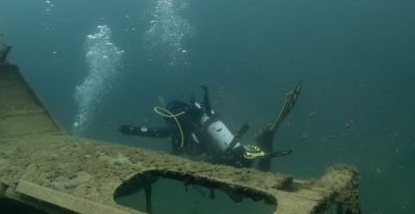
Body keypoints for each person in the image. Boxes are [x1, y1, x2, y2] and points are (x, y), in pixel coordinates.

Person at [118, 83, 302, 171]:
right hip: (233, 147)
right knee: (254, 175)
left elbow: (154, 132)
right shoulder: (202, 119)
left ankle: (265, 145)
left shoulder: (179, 127)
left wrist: (132, 130)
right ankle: (265, 143)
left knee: (239, 196)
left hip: (221, 159)